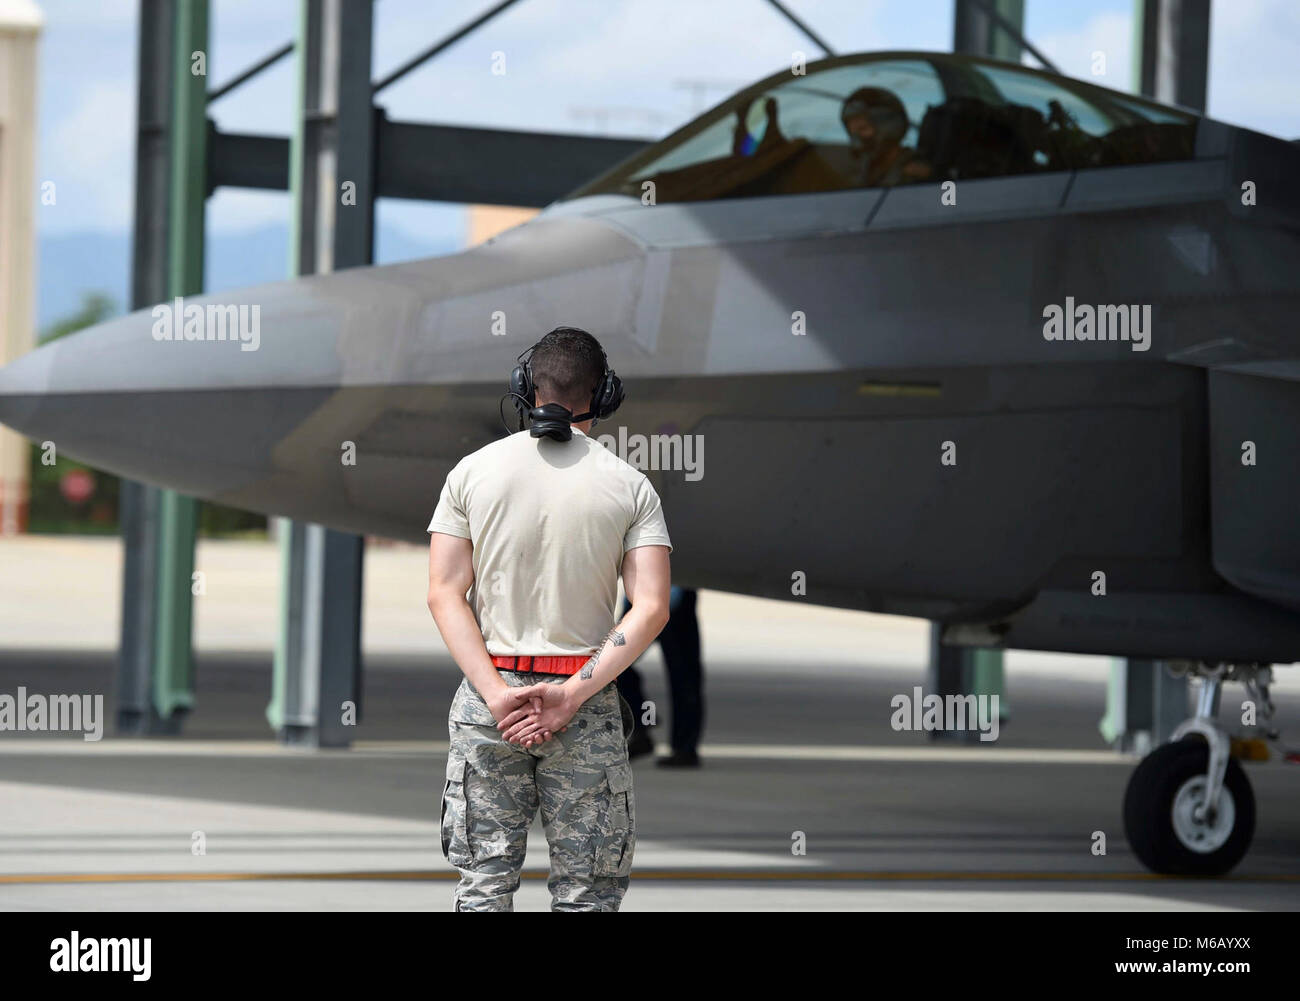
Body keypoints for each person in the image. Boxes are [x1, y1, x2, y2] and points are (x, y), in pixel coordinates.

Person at [426, 325, 673, 912]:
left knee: (483, 886)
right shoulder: (630, 486)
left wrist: (493, 694)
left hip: (491, 702)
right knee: (587, 892)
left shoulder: (470, 473)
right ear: (604, 393)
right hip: (582, 700)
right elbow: (652, 607)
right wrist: (571, 694)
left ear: (523, 387)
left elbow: (443, 593)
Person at [617, 586, 705, 767]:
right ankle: (641, 725)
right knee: (613, 665)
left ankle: (685, 748)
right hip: (641, 595)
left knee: (683, 676)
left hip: (675, 590)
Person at [839, 86, 932, 187]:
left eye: (863, 128)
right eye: (853, 132)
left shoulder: (917, 173)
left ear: (889, 127)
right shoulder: (863, 173)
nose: (857, 139)